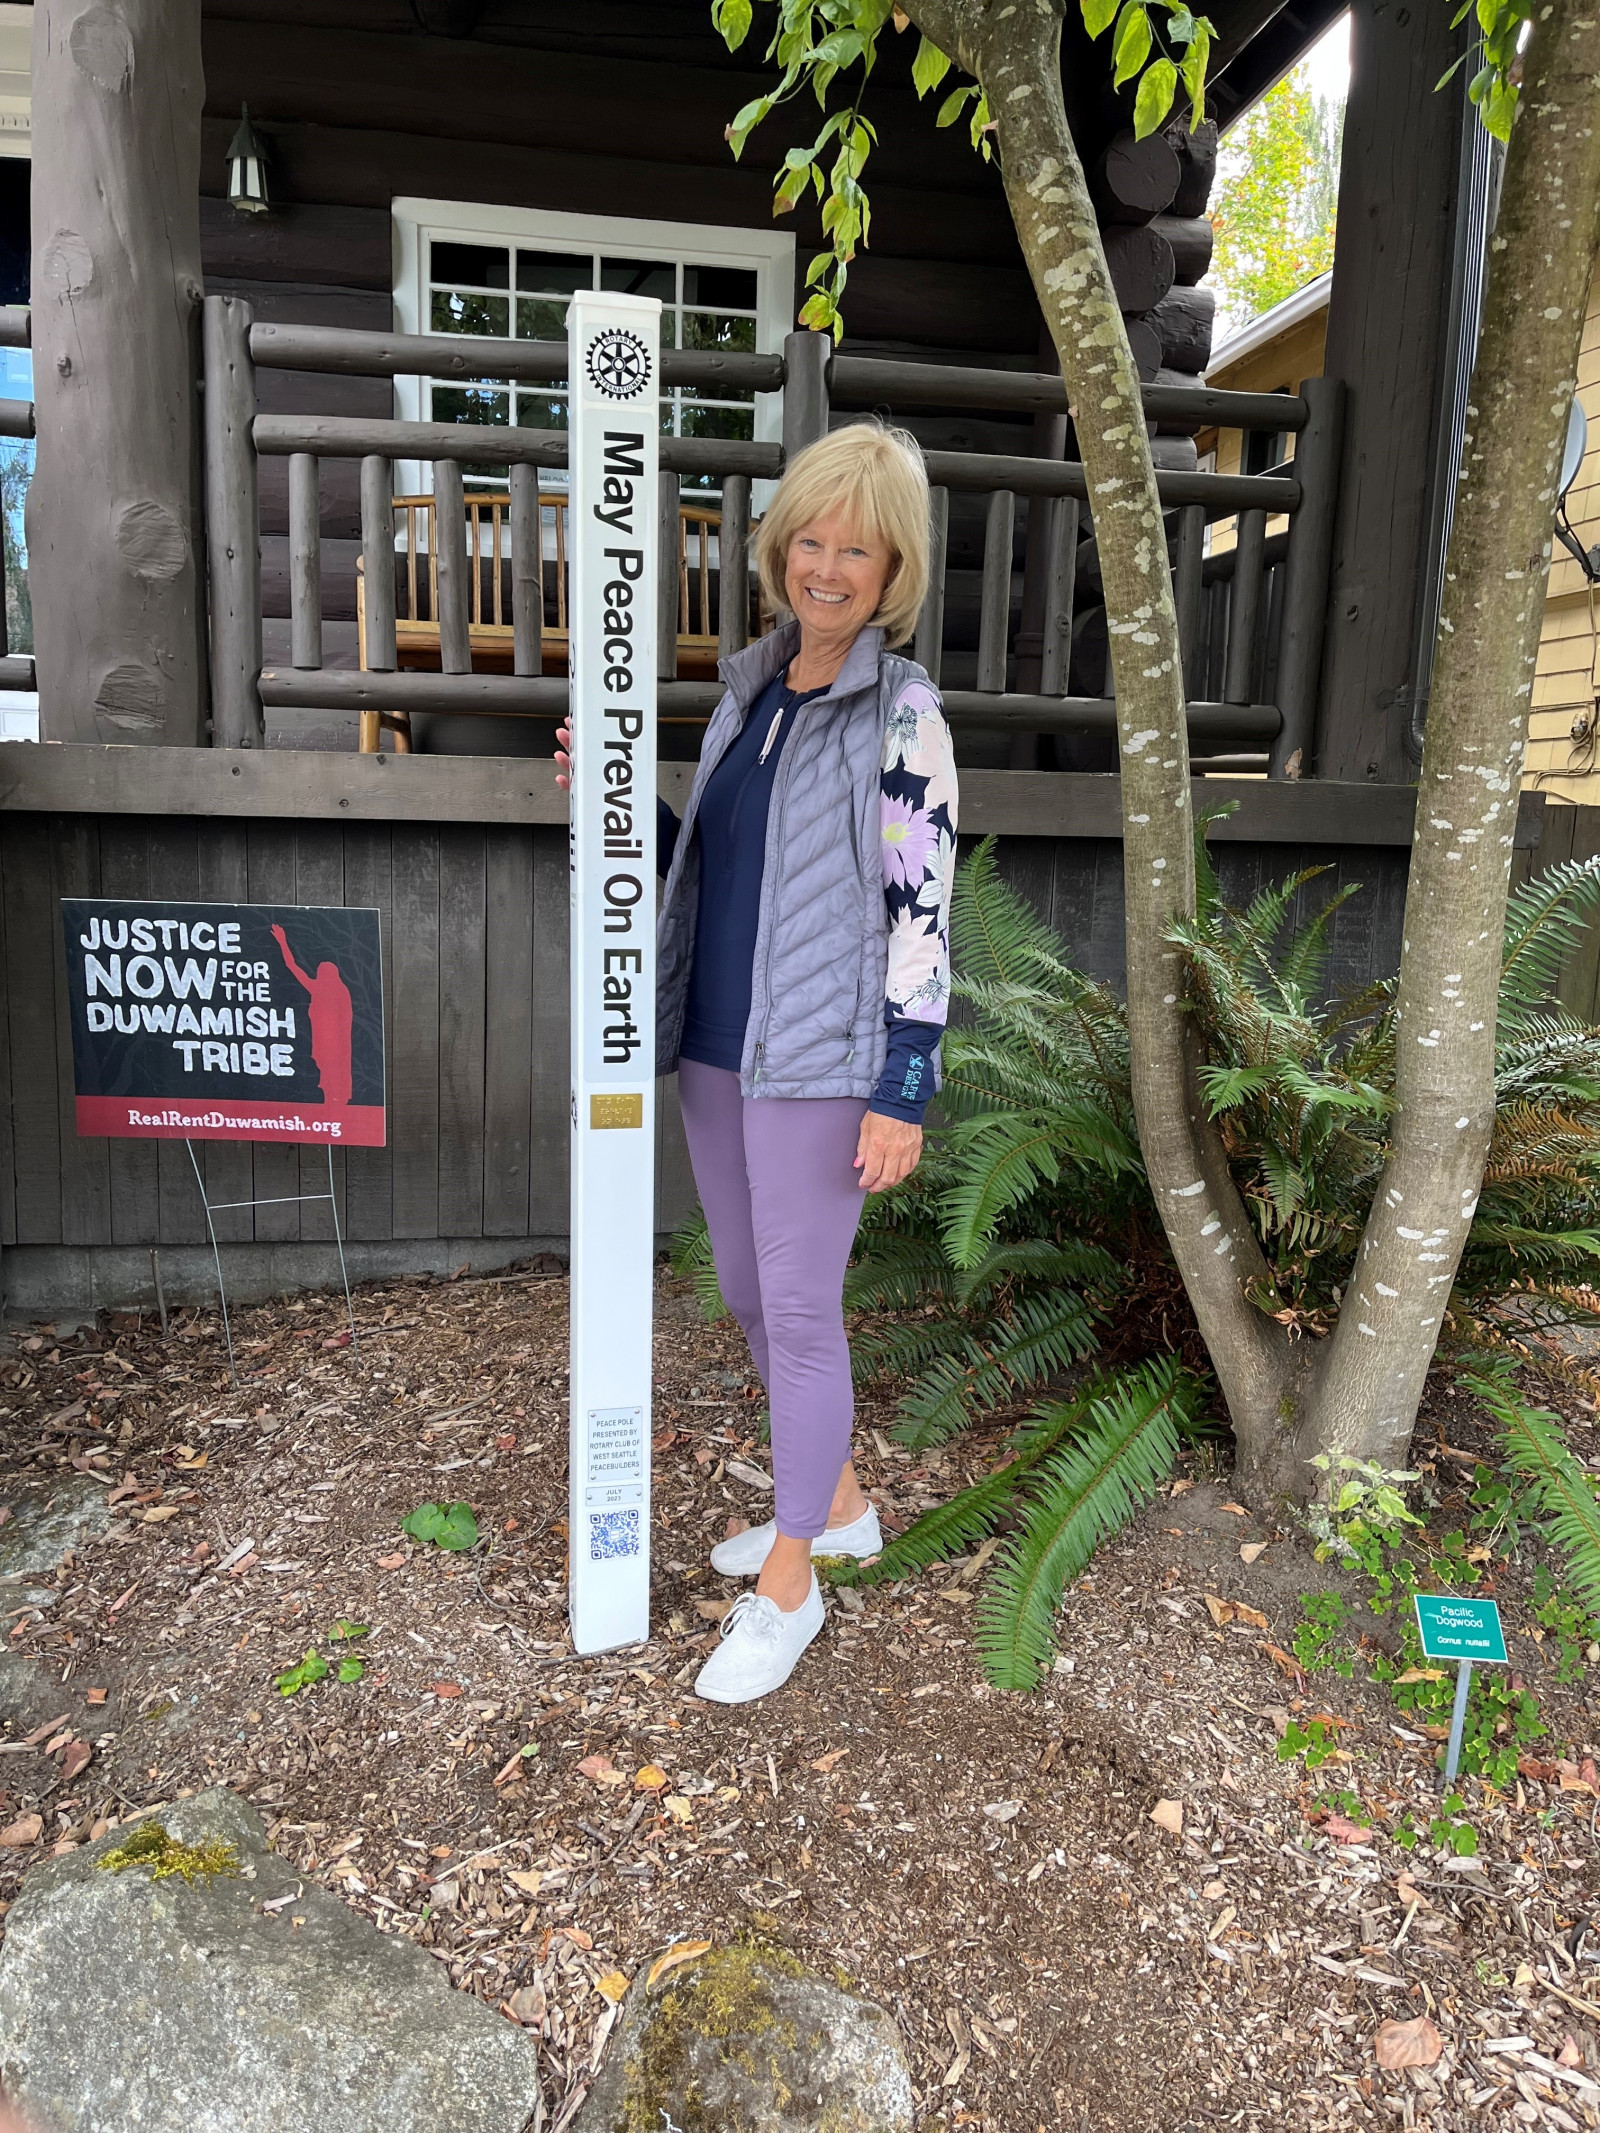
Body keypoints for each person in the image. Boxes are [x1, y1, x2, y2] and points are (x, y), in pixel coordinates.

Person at [557, 420, 957, 1704]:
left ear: (894, 571)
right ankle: (835, 1502)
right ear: (781, 546)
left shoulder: (903, 716)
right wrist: (617, 801)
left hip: (823, 1063)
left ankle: (792, 1582)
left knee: (797, 1309)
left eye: (859, 549)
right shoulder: (750, 694)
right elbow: (719, 863)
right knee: (740, 1285)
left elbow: (922, 913)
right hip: (717, 1050)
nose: (828, 567)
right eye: (811, 540)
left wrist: (902, 1088)